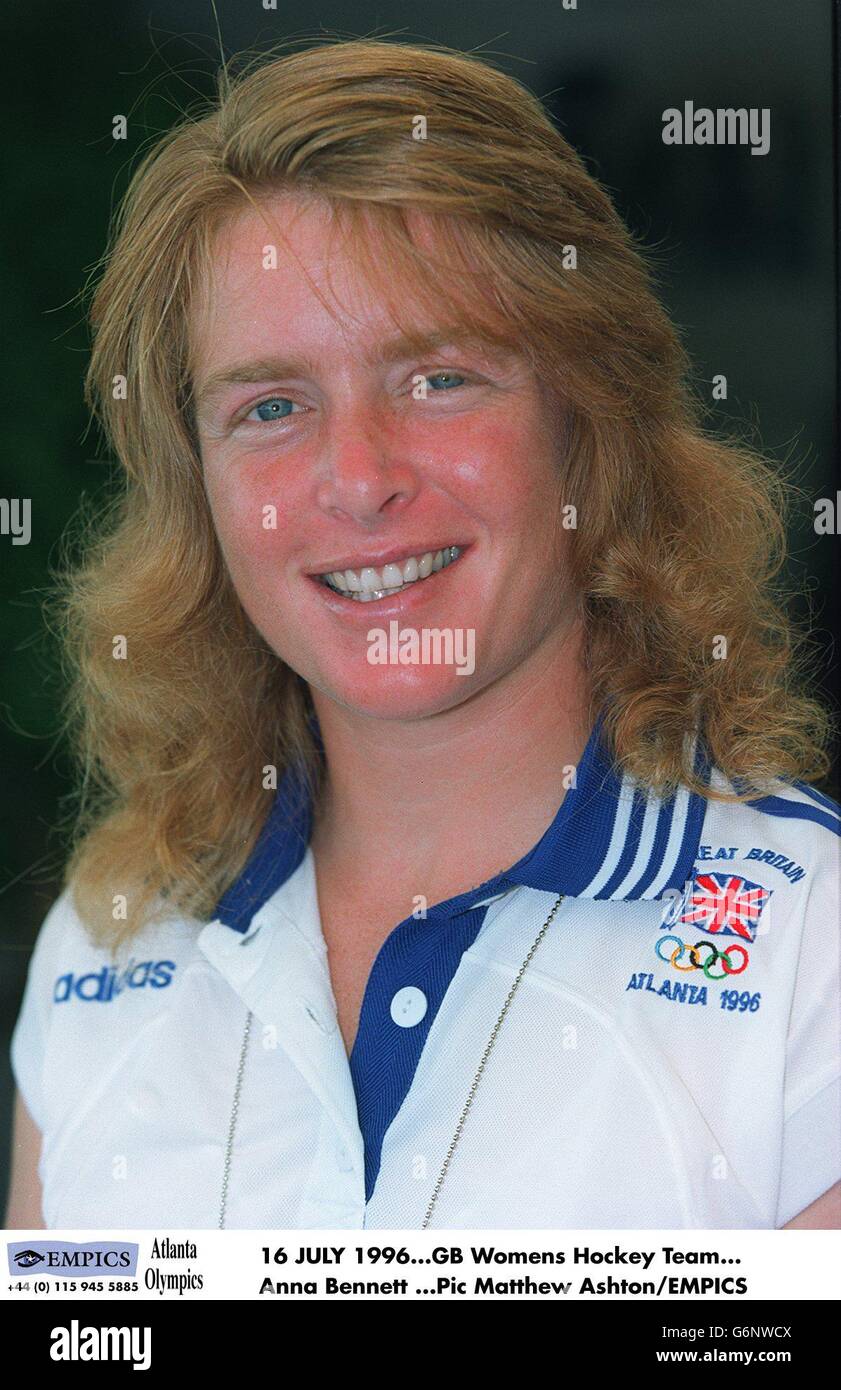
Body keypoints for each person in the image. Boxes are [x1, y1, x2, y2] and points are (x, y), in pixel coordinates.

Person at [5, 37, 839, 1231]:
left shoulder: (810, 954)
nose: (358, 478)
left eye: (438, 378)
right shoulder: (103, 950)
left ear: (588, 422)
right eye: (272, 405)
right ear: (200, 494)